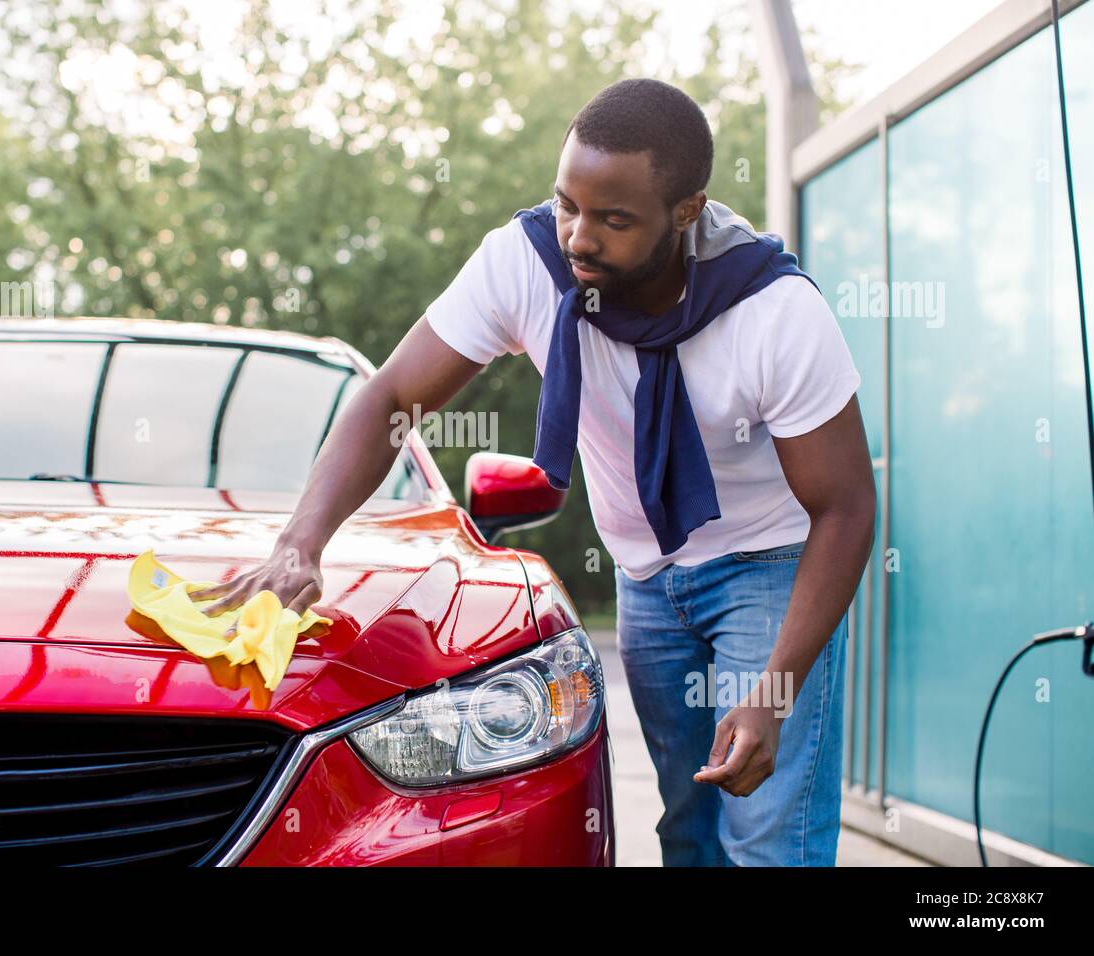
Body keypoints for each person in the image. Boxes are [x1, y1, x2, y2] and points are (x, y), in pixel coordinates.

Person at [188, 77, 876, 867]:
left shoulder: (773, 312)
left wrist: (774, 691)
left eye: (614, 220)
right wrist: (301, 543)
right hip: (646, 577)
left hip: (771, 567)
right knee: (690, 828)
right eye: (567, 205)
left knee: (766, 836)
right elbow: (392, 396)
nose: (580, 237)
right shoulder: (527, 262)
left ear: (686, 212)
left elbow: (847, 507)